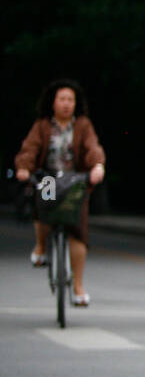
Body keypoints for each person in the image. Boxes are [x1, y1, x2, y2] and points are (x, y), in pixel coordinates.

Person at [14, 80, 106, 306]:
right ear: (53, 102)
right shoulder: (43, 126)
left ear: (76, 104)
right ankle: (41, 246)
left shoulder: (83, 125)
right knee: (44, 207)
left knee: (77, 232)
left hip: (75, 181)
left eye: (70, 100)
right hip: (48, 178)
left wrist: (97, 166)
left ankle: (78, 287)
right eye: (62, 99)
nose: (66, 104)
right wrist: (24, 168)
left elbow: (93, 147)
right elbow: (30, 148)